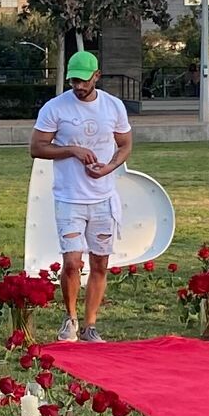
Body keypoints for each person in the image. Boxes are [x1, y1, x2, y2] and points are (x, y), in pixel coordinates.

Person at [32, 50, 133, 343]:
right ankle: (71, 318)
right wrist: (72, 150)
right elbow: (37, 147)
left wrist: (109, 168)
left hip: (102, 198)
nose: (78, 86)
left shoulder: (113, 107)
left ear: (96, 76)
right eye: (73, 80)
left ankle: (90, 325)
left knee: (100, 264)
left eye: (83, 80)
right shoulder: (55, 108)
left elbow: (125, 144)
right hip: (69, 198)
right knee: (73, 262)